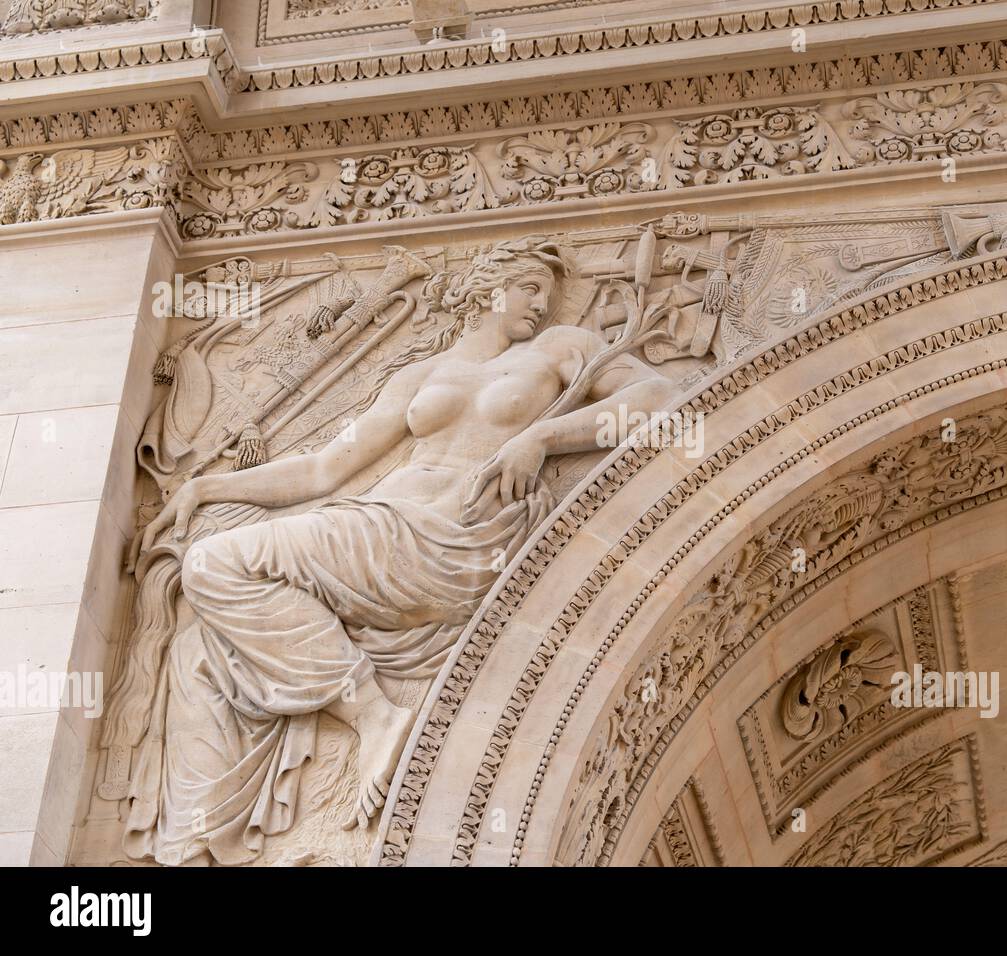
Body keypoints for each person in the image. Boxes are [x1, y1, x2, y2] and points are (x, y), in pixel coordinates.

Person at [127, 237, 673, 864]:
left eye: (549, 296)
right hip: (376, 526)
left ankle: (372, 714)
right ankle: (203, 843)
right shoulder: (417, 375)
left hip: (452, 540)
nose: (542, 305)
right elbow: (325, 470)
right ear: (486, 286)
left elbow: (655, 398)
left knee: (212, 563)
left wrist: (542, 438)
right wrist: (205, 485)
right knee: (202, 645)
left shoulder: (560, 349)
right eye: (529, 289)